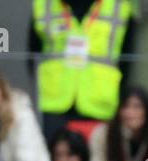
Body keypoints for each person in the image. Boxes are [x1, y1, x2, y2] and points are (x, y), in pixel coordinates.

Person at [28, 0, 137, 139]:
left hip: (100, 104)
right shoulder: (43, 5)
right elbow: (32, 56)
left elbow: (127, 62)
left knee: (97, 158)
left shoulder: (120, 7)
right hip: (53, 104)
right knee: (55, 157)